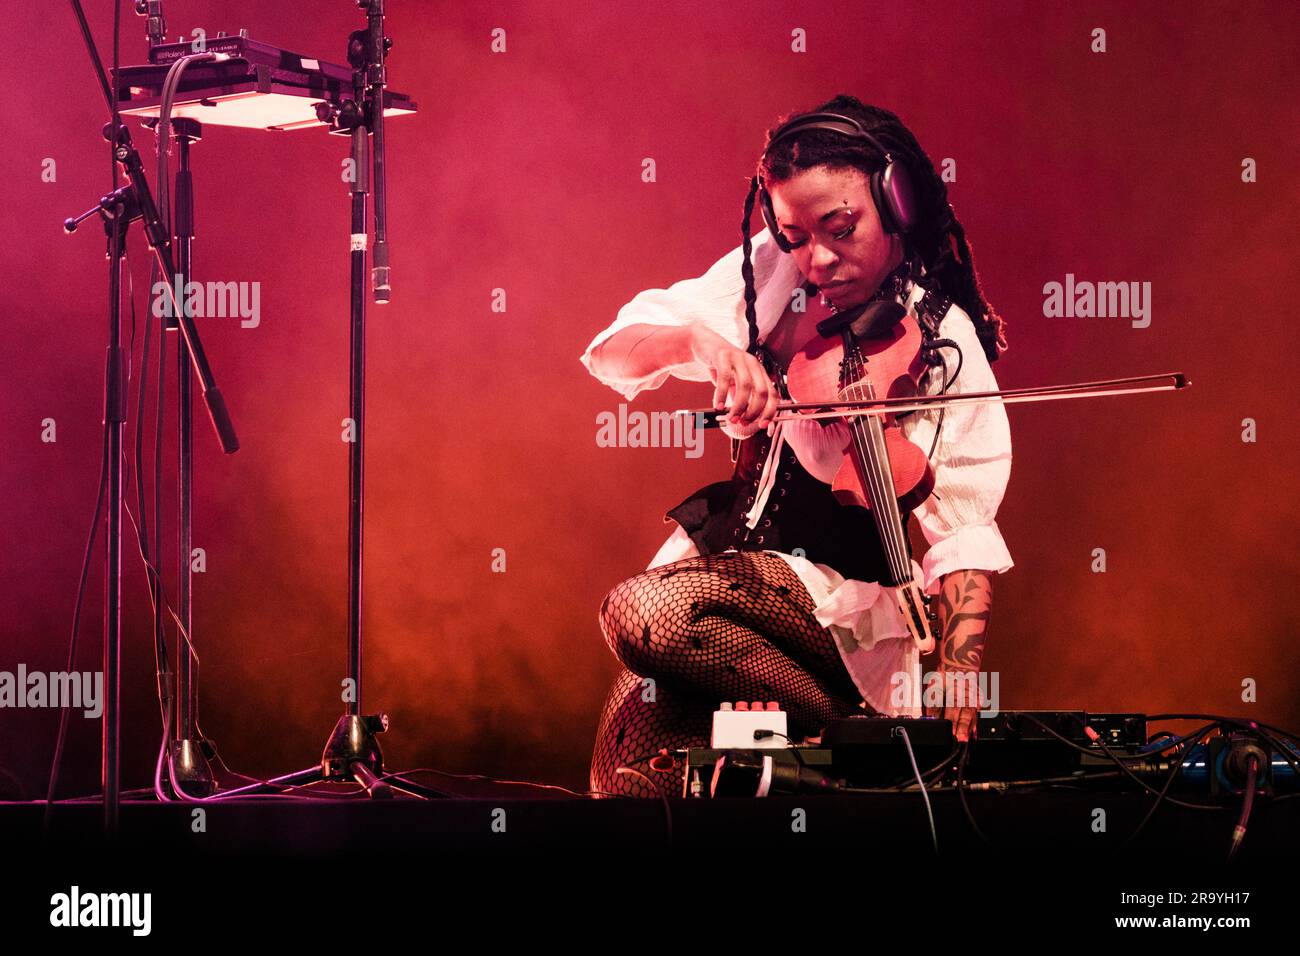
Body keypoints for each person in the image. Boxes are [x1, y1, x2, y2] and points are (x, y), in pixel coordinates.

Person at [580, 95, 1013, 799]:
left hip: (838, 616)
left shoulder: (942, 337)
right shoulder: (770, 275)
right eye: (794, 235)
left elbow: (963, 531)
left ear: (896, 202)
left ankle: (851, 720)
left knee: (644, 614)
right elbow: (612, 352)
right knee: (624, 782)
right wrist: (702, 344)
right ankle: (818, 730)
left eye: (840, 229)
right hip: (728, 595)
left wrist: (961, 675)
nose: (818, 259)